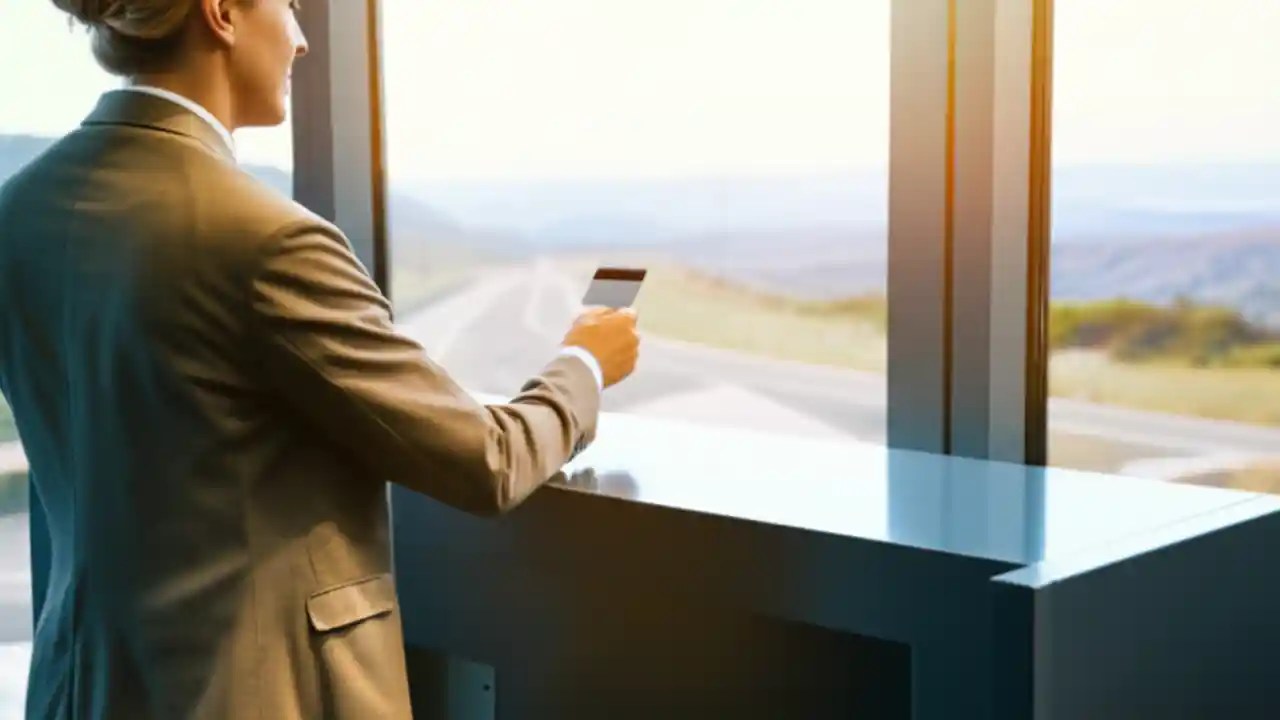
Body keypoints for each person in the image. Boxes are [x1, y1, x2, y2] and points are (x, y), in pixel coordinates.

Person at [0, 1, 640, 717]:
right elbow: (485, 460)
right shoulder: (265, 240)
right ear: (221, 13)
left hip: (75, 690)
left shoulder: (18, 209)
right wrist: (584, 364)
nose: (303, 40)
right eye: (291, 5)